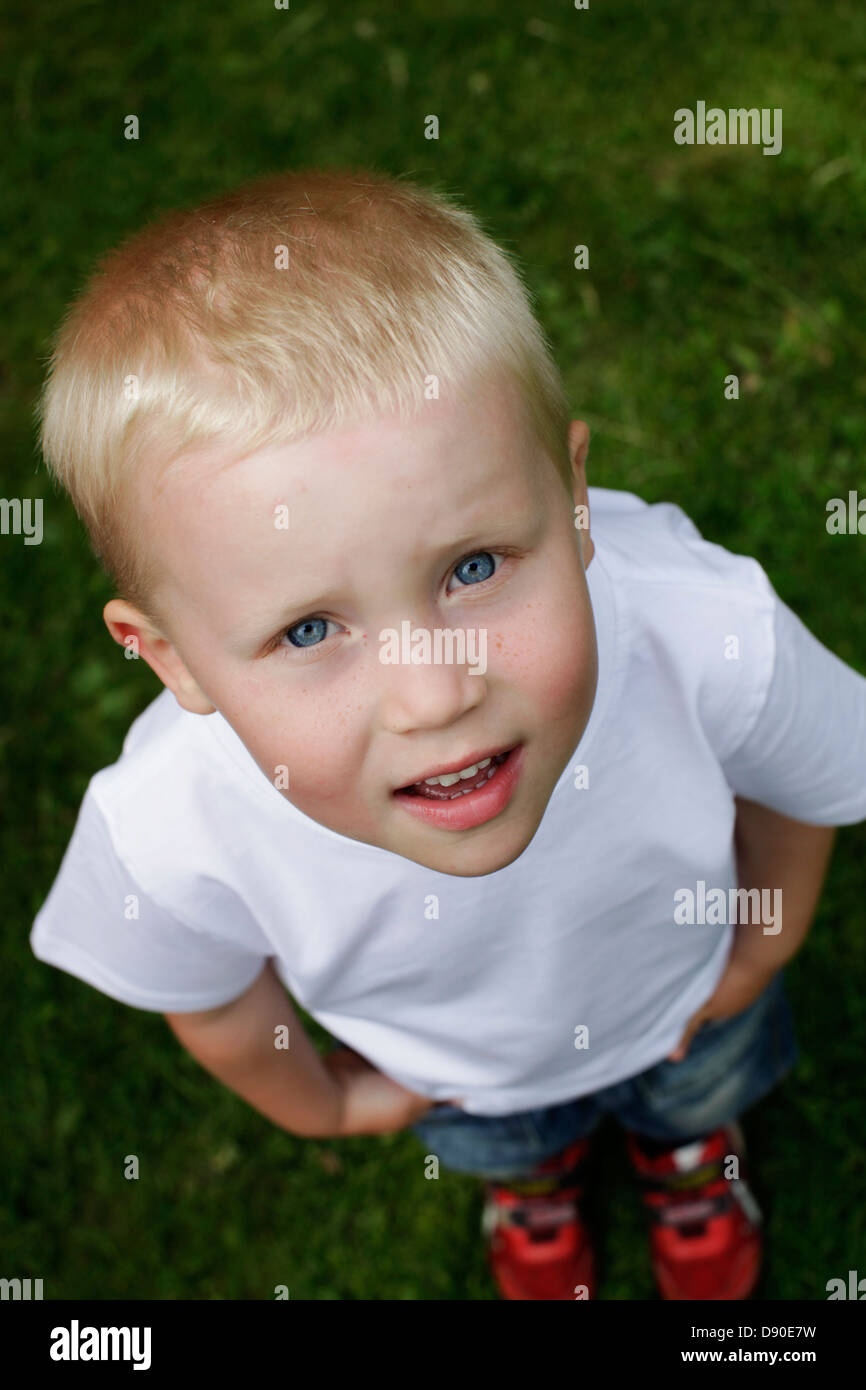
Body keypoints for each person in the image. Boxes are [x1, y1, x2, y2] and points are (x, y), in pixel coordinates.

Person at [30, 167, 863, 1300]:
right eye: (309, 627)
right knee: (508, 1141)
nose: (431, 699)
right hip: (461, 1081)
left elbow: (800, 781)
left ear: (571, 499)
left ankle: (689, 1164)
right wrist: (323, 1101)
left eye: (472, 568)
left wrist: (758, 949)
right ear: (172, 655)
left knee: (698, 1096)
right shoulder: (170, 828)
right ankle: (530, 1185)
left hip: (683, 1003)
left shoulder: (701, 630)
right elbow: (210, 994)